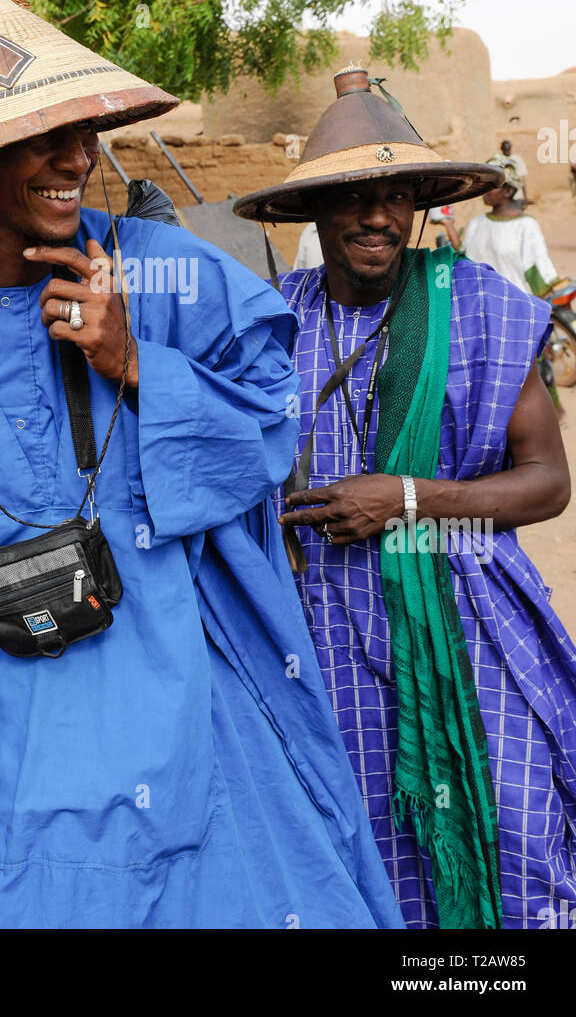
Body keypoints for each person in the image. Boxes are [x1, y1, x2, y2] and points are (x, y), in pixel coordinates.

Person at [0, 0, 401, 931]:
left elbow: (271, 433)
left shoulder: (163, 272)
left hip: (171, 691)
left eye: (86, 130)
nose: (78, 156)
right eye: (43, 135)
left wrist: (138, 364)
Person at [234, 65, 576, 930]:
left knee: (514, 837)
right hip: (323, 639)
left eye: (395, 193)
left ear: (420, 203)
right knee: (373, 861)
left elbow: (548, 482)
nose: (376, 215)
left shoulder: (480, 309)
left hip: (467, 621)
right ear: (314, 211)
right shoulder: (272, 322)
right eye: (352, 196)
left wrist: (411, 500)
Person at [462, 155, 565, 417]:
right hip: (482, 314)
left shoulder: (526, 227)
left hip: (518, 314)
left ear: (509, 190)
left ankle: (551, 416)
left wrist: (545, 319)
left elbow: (538, 272)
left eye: (493, 185)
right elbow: (463, 262)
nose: (486, 189)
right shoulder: (475, 225)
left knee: (530, 373)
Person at [499, 138, 529, 207]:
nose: (507, 150)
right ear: (501, 149)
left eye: (508, 149)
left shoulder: (517, 160)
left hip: (517, 196)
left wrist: (525, 198)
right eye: (505, 149)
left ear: (510, 148)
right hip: (503, 197)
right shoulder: (499, 160)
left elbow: (522, 180)